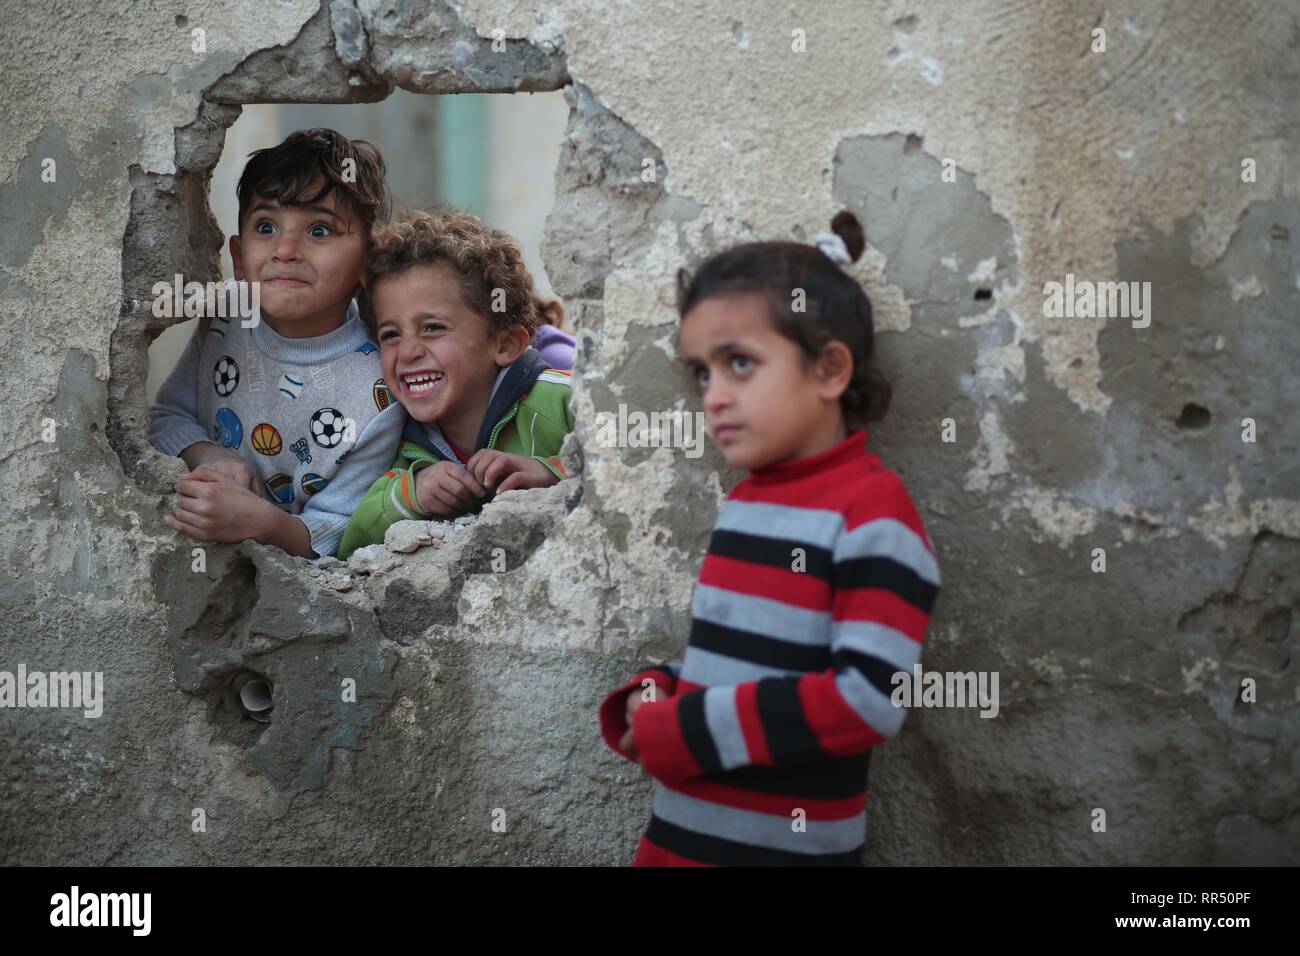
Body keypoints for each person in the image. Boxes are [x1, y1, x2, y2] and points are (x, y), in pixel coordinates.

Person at [599, 211, 941, 865]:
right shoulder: (748, 505)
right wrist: (658, 688)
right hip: (679, 844)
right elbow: (744, 660)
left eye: (740, 364)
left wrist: (684, 730)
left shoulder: (873, 515)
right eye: (702, 372)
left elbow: (869, 700)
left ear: (829, 371)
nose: (714, 396)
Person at [338, 211, 574, 559]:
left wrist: (553, 473)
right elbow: (348, 547)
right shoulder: (398, 439)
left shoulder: (561, 399)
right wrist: (412, 494)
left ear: (505, 344)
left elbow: (640, 458)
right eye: (390, 334)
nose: (408, 351)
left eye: (432, 327)